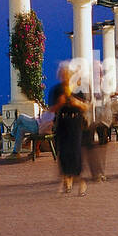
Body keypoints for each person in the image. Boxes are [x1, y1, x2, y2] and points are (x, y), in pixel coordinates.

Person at [48, 63, 89, 195]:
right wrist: (59, 103)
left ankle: (79, 179)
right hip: (62, 122)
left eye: (67, 73)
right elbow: (51, 109)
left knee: (75, 150)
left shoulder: (78, 89)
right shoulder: (56, 90)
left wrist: (76, 103)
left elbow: (86, 106)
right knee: (63, 151)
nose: (65, 76)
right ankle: (67, 179)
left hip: (75, 122)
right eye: (63, 74)